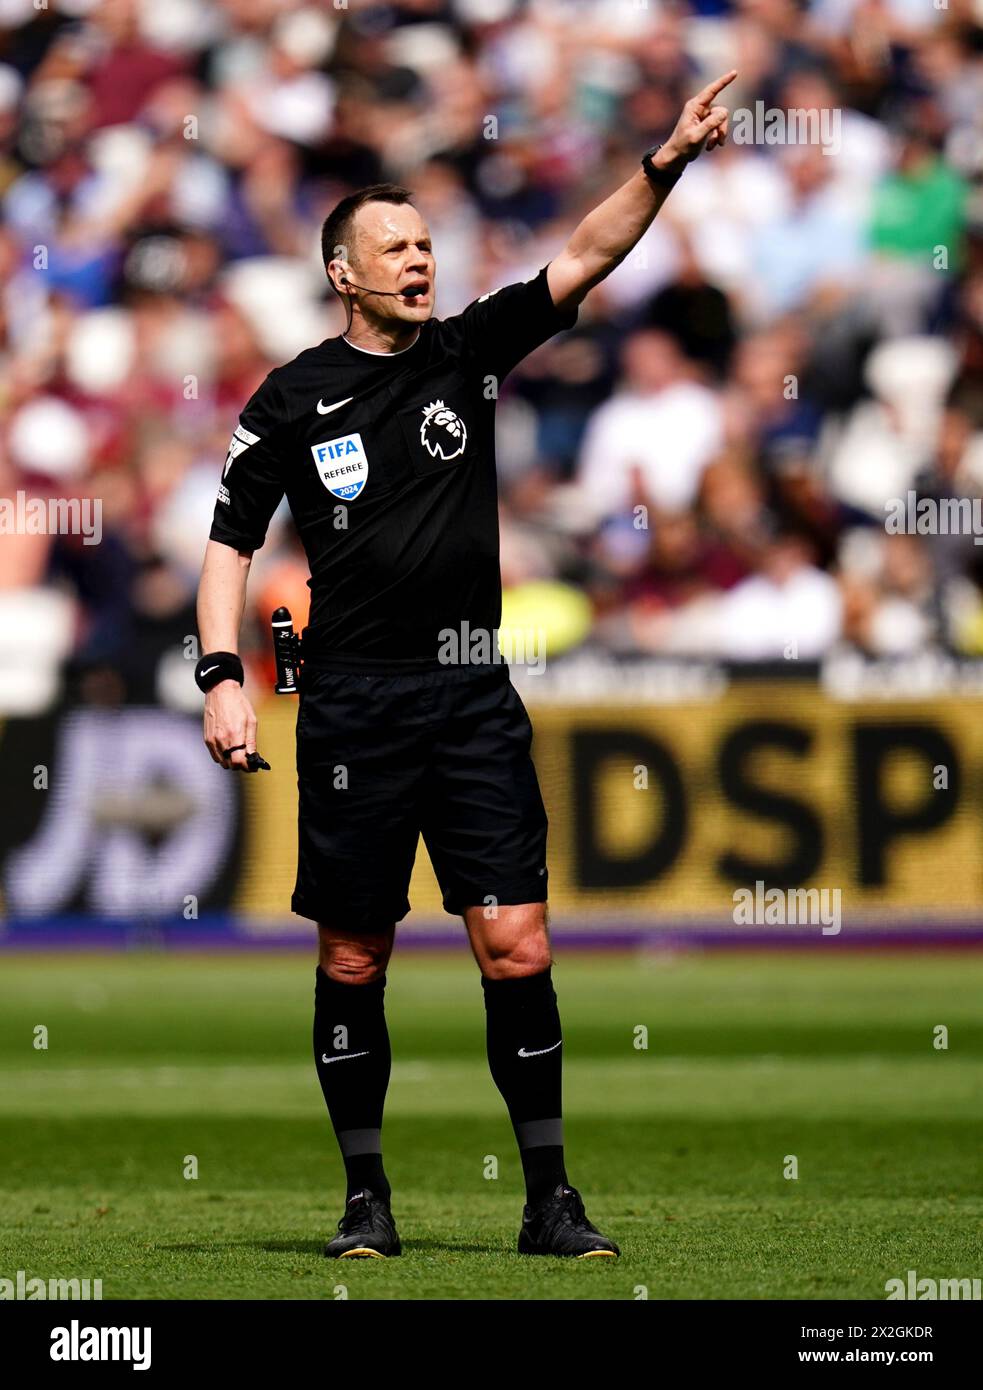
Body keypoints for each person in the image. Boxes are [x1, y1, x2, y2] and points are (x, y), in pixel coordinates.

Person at [195, 71, 737, 1260]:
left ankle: (547, 1198)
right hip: (349, 705)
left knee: (518, 944)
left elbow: (584, 255)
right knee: (353, 950)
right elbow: (228, 547)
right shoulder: (291, 400)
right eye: (392, 246)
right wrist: (222, 675)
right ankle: (364, 1198)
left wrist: (664, 162)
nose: (417, 260)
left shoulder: (469, 352)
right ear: (341, 270)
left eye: (426, 243)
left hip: (468, 695)